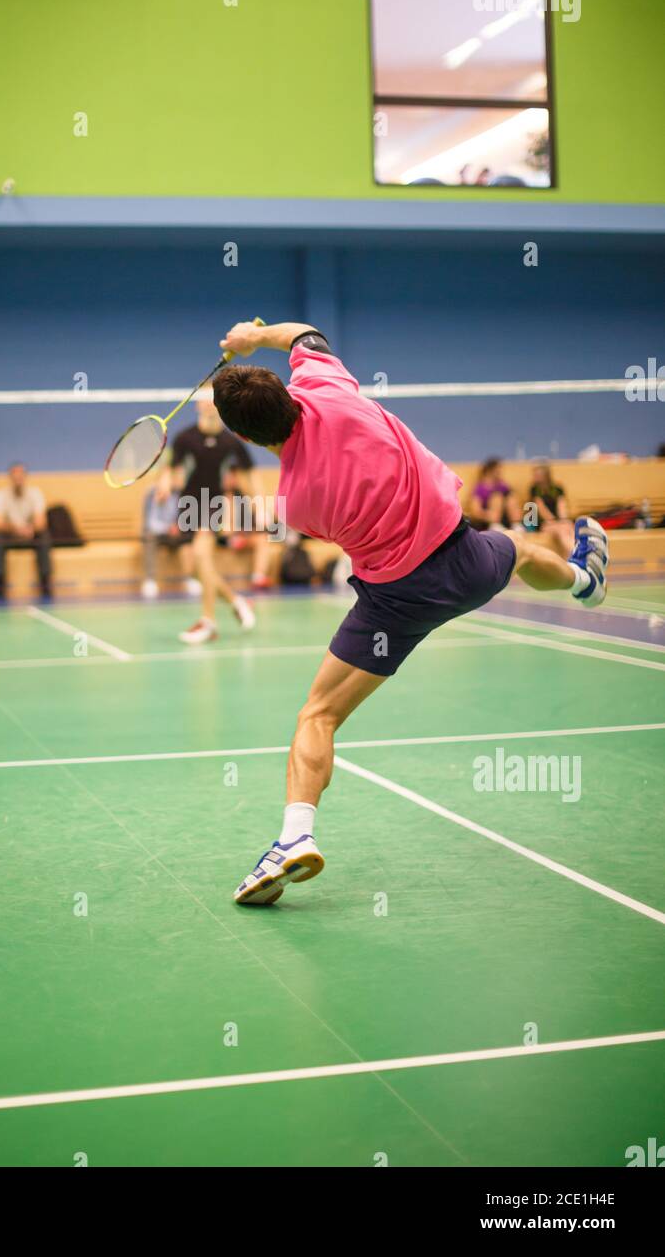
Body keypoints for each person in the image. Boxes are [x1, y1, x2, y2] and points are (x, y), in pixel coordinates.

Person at [211, 321, 609, 906]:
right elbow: (305, 334)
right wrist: (254, 334)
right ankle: (585, 581)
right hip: (464, 560)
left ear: (245, 437)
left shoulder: (296, 503)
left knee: (317, 715)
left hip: (394, 604)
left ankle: (294, 838)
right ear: (288, 387)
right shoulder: (328, 385)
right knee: (520, 549)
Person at [156, 398, 257, 644]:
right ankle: (236, 600)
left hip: (215, 505)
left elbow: (249, 474)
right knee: (193, 569)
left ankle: (208, 622)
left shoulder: (232, 441)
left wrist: (257, 503)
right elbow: (170, 468)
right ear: (197, 405)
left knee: (202, 556)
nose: (210, 404)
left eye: (215, 400)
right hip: (188, 506)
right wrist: (164, 484)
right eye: (205, 400)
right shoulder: (184, 438)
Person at [0, 463, 52, 601]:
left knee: (44, 537)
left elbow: (41, 522)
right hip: (10, 534)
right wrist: (15, 529)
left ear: (25, 477)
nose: (18, 478)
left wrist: (30, 528)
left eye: (21, 475)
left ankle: (45, 583)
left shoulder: (35, 493)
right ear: (10, 477)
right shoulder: (1, 495)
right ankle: (0, 585)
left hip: (31, 534)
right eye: (15, 475)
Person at [141, 484, 200, 600]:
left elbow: (189, 518)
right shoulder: (153, 494)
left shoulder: (181, 494)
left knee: (191, 539)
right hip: (159, 534)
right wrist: (167, 527)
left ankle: (190, 578)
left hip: (177, 532)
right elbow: (150, 523)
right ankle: (150, 580)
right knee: (149, 537)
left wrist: (179, 527)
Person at [526, 461, 574, 557]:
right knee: (560, 531)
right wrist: (553, 521)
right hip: (543, 523)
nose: (535, 477)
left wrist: (563, 520)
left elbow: (561, 505)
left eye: (538, 475)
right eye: (535, 475)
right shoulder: (534, 489)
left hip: (557, 522)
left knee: (568, 526)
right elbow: (541, 508)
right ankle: (575, 555)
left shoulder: (557, 488)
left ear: (546, 475)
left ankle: (571, 556)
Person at [468, 458, 522, 530]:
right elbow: (476, 511)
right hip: (490, 519)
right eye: (498, 469)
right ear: (489, 471)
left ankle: (516, 525)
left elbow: (513, 501)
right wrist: (488, 515)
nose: (500, 472)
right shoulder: (480, 488)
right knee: (497, 498)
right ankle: (495, 526)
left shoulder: (502, 485)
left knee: (511, 498)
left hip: (506, 517)